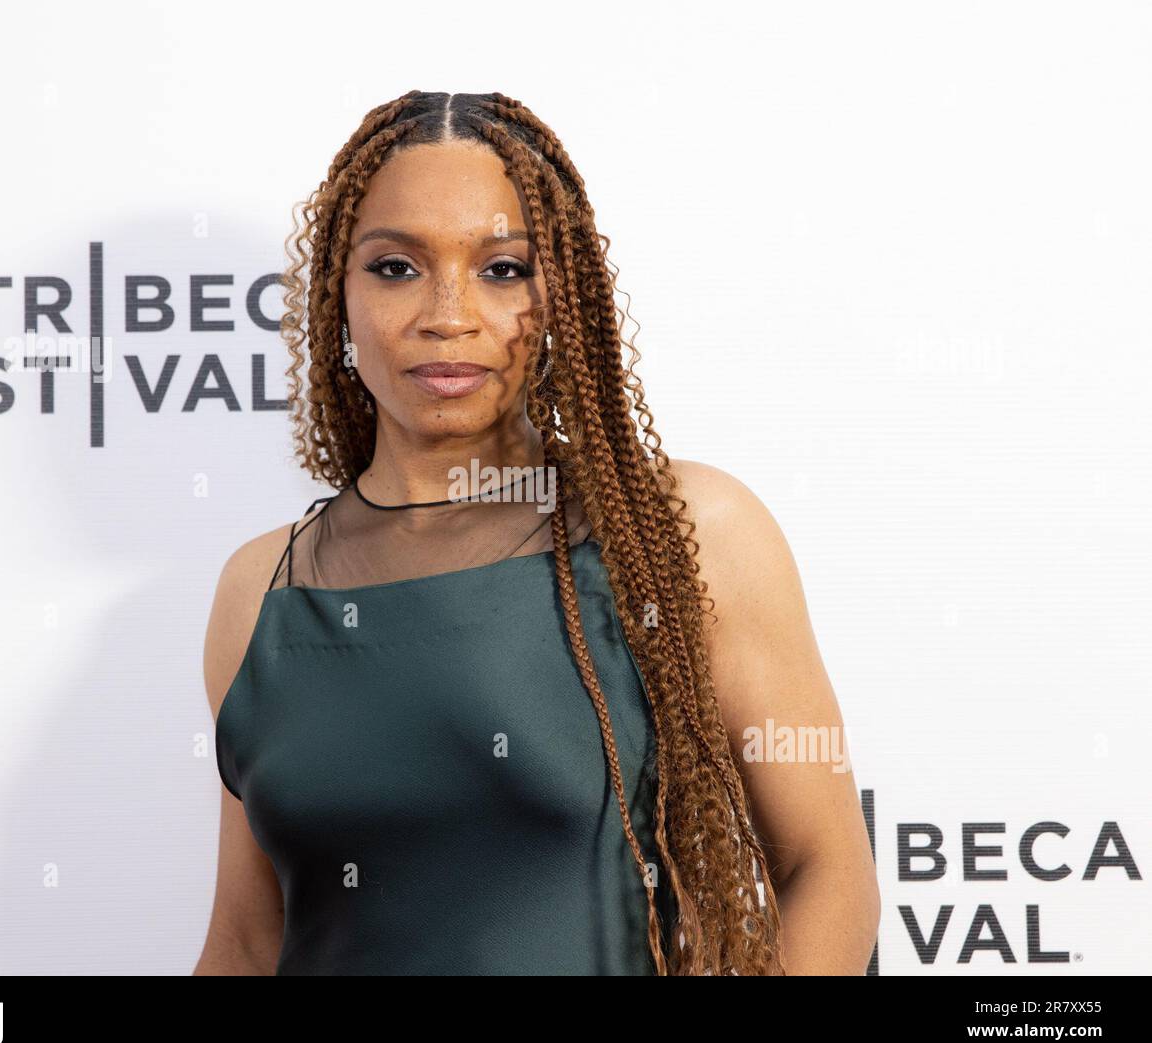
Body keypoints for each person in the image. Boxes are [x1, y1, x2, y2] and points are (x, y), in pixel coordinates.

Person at [195, 91, 880, 976]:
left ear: (563, 293)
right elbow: (247, 942)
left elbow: (827, 874)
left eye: (503, 268)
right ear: (337, 291)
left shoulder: (679, 533)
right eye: (396, 267)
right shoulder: (261, 589)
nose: (449, 313)